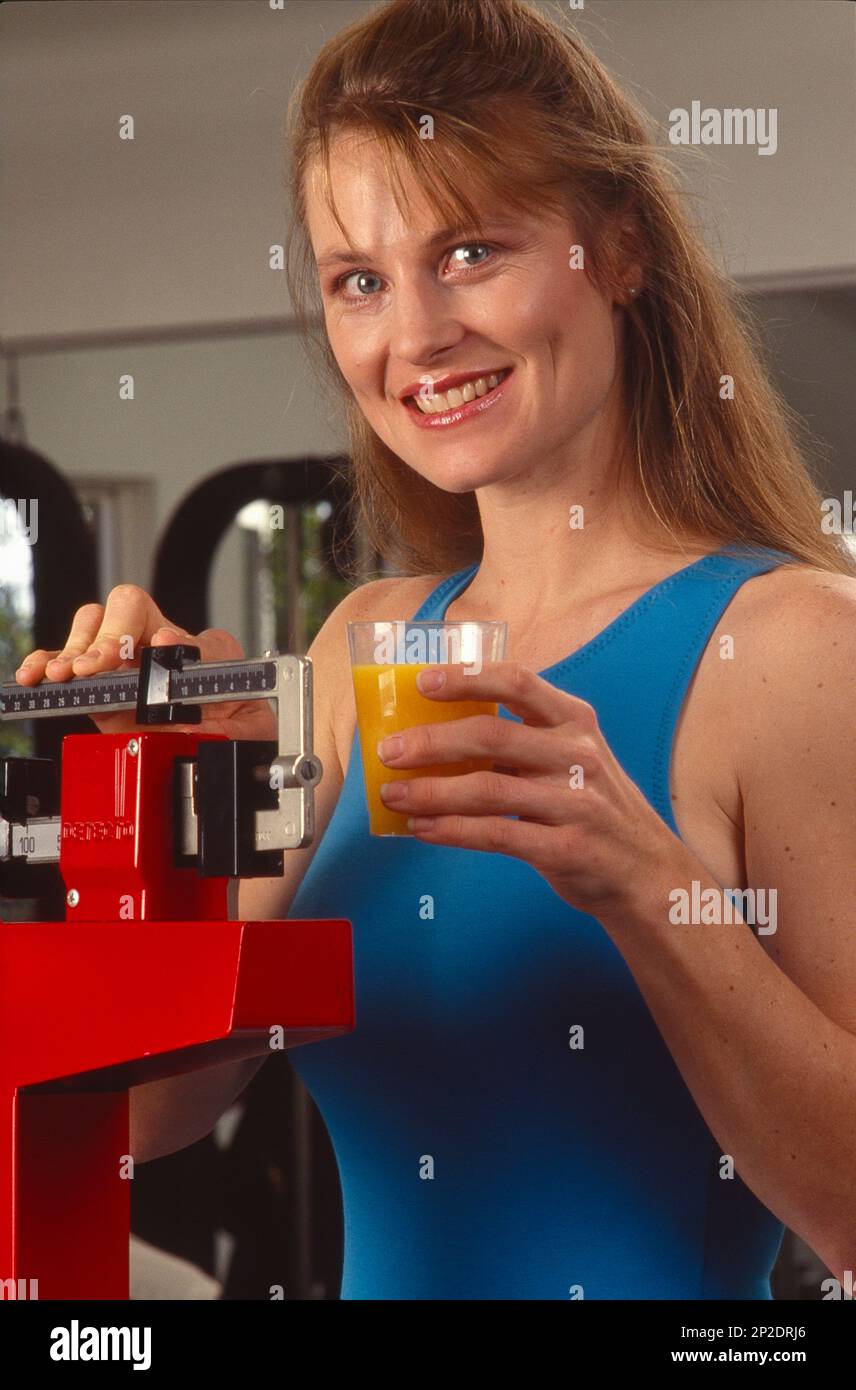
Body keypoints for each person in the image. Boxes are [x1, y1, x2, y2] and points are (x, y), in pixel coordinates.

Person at [15, 0, 856, 1298]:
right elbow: (143, 1116)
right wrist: (183, 809)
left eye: (469, 250)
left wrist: (644, 885)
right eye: (359, 279)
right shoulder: (364, 645)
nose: (414, 335)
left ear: (621, 248)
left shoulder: (795, 646)